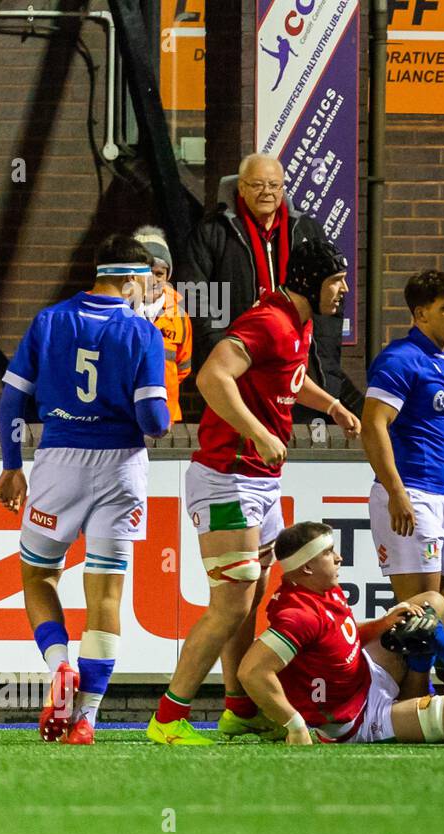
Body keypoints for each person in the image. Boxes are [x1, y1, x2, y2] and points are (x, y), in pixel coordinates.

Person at [148, 239, 362, 745]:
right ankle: (168, 719)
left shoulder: (298, 323)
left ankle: (239, 710)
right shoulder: (268, 320)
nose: (344, 290)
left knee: (249, 597)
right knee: (230, 604)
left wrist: (331, 405)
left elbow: (290, 376)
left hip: (259, 481)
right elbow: (212, 375)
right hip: (228, 476)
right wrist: (260, 433)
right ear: (311, 282)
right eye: (336, 280)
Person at [0, 235, 170, 744]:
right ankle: (87, 718)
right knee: (106, 591)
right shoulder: (141, 331)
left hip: (59, 461)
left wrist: (11, 467)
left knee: (39, 576)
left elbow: (11, 401)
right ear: (132, 279)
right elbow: (155, 420)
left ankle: (59, 668)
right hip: (121, 467)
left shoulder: (49, 320)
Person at [238, 522, 444, 744]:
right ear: (307, 567)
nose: (339, 558)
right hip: (358, 720)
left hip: (365, 673)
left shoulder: (323, 589)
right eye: (328, 552)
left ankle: (419, 689)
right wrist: (294, 724)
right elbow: (251, 671)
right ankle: (420, 696)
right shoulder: (298, 616)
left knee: (434, 602)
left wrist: (383, 623)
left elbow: (338, 637)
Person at [178, 153, 362, 417]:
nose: (267, 192)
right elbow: (198, 296)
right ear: (241, 187)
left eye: (274, 185)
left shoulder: (306, 230)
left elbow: (329, 297)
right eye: (257, 185)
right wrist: (221, 351)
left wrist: (324, 366)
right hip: (241, 362)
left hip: (298, 365)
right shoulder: (213, 232)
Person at [361, 269, 444, 615]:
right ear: (420, 314)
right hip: (410, 494)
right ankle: (421, 672)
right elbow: (373, 426)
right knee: (419, 613)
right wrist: (396, 492)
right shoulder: (400, 359)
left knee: (438, 610)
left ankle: (443, 670)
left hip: (439, 497)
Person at [132, 226, 193, 423]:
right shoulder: (117, 310)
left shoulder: (179, 315)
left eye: (159, 273)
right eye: (147, 272)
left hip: (163, 418)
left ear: (167, 276)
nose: (153, 280)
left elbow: (183, 368)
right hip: (124, 415)